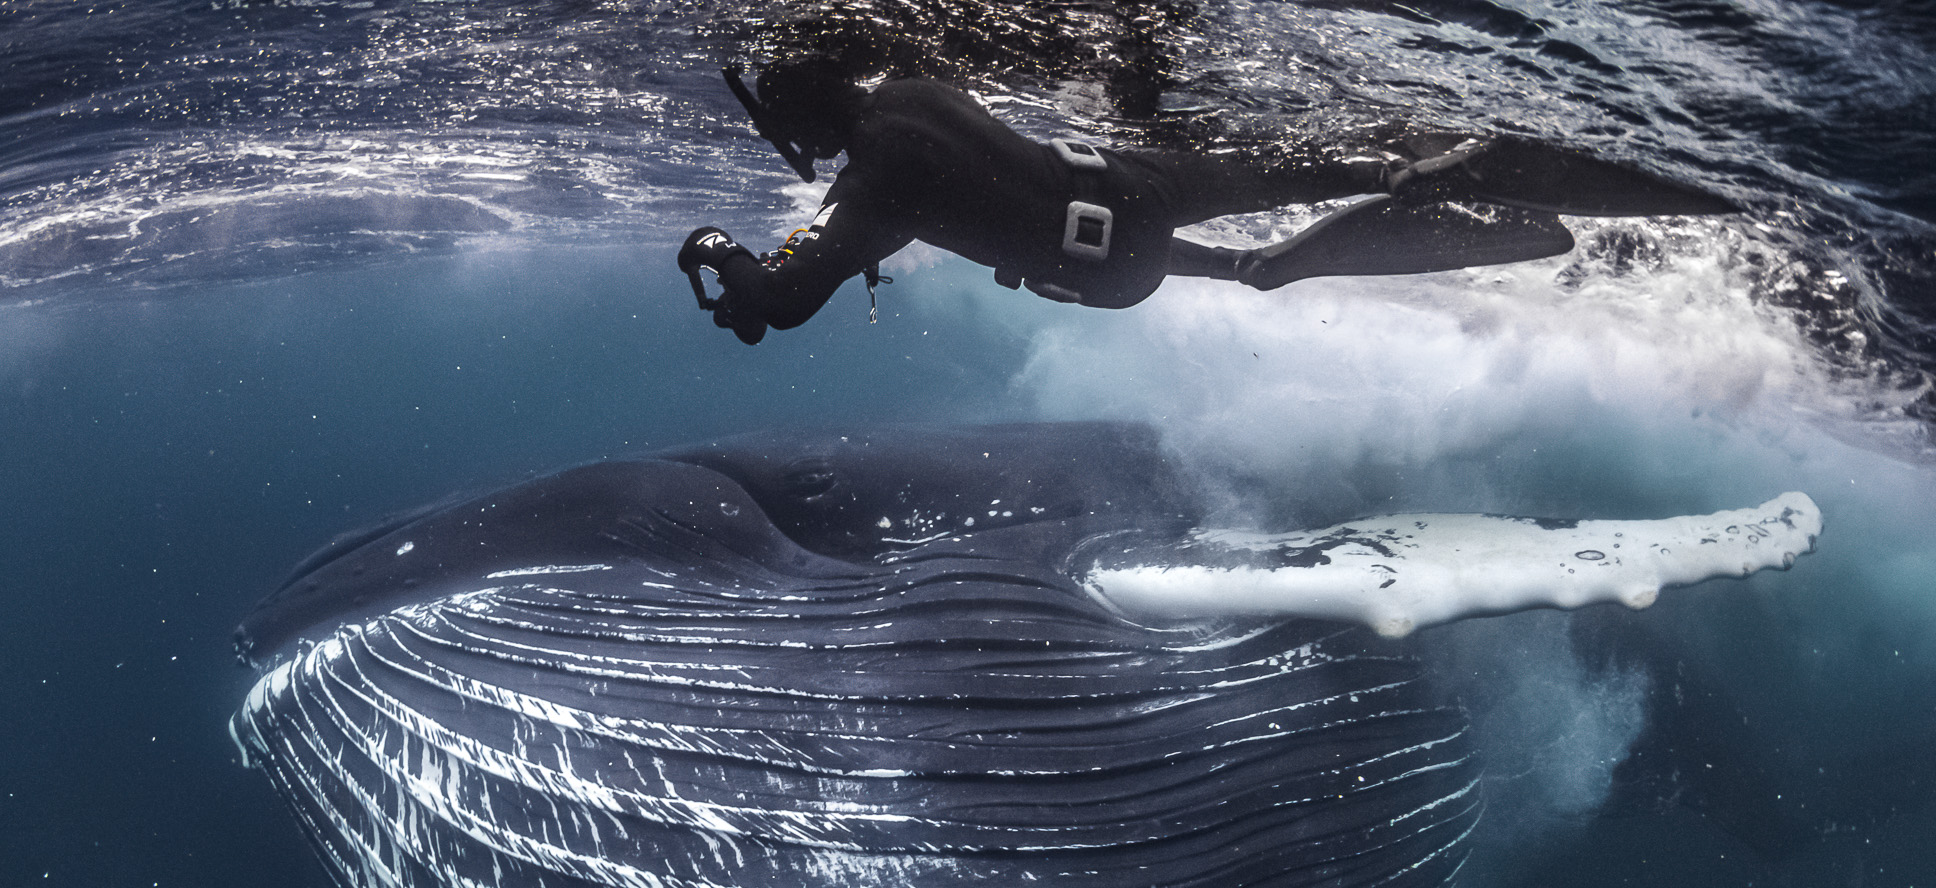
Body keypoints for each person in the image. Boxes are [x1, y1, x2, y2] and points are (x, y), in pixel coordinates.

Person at [680, 60, 1735, 345]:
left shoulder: (871, 190)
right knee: (1303, 164)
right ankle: (1403, 170)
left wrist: (718, 248)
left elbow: (781, 301)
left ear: (806, 124)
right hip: (1128, 173)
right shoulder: (913, 90)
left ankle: (1259, 267)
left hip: (1113, 267)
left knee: (1236, 263)